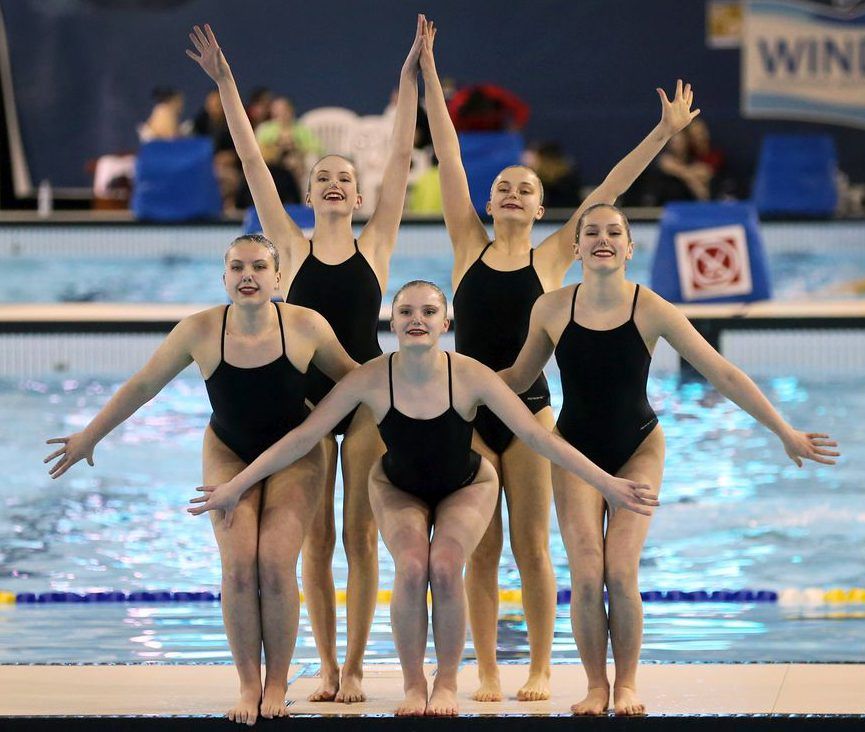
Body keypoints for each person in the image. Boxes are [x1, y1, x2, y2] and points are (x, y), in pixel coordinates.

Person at [188, 279, 659, 717]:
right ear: (391, 324)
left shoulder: (470, 375)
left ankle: (448, 682)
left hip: (468, 486)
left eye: (429, 311)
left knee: (446, 563)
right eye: (406, 311)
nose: (418, 319)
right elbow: (304, 436)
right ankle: (416, 684)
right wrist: (237, 484)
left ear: (445, 324)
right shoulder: (371, 377)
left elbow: (541, 440)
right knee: (413, 565)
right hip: (395, 486)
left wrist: (605, 482)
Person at [420, 19, 701, 703]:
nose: (512, 194)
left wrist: (663, 134)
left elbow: (608, 187)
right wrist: (427, 72)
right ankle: (487, 669)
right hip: (468, 413)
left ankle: (541, 667)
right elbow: (449, 153)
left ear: (544, 208)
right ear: (489, 204)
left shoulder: (554, 256)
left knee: (532, 548)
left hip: (533, 416)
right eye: (503, 189)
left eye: (525, 190)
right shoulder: (467, 244)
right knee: (477, 552)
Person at [500, 203, 840, 716]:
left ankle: (629, 684)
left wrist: (783, 430)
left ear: (630, 248)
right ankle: (596, 686)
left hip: (638, 446)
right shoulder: (550, 309)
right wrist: (457, 386)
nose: (602, 239)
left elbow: (721, 373)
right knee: (588, 573)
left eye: (614, 231)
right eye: (590, 232)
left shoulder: (651, 308)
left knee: (621, 569)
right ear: (576, 250)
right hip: (574, 449)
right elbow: (520, 379)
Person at [186, 18, 422, 703]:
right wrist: (228, 84)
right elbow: (253, 162)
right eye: (322, 177)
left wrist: (410, 77)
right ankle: (322, 667)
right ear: (310, 190)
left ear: (355, 191)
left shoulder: (377, 241)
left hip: (365, 397)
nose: (333, 185)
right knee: (314, 545)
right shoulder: (285, 245)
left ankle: (353, 668)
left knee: (359, 537)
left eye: (343, 178)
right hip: (309, 409)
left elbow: (404, 155)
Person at [44, 234, 357, 725]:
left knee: (275, 562)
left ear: (278, 279)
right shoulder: (199, 330)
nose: (248, 276)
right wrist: (90, 435)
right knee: (237, 565)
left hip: (297, 451)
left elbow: (354, 378)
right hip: (228, 449)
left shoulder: (305, 325)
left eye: (258, 267)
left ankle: (277, 684)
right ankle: (249, 685)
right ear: (225, 277)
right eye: (237, 268)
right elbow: (144, 384)